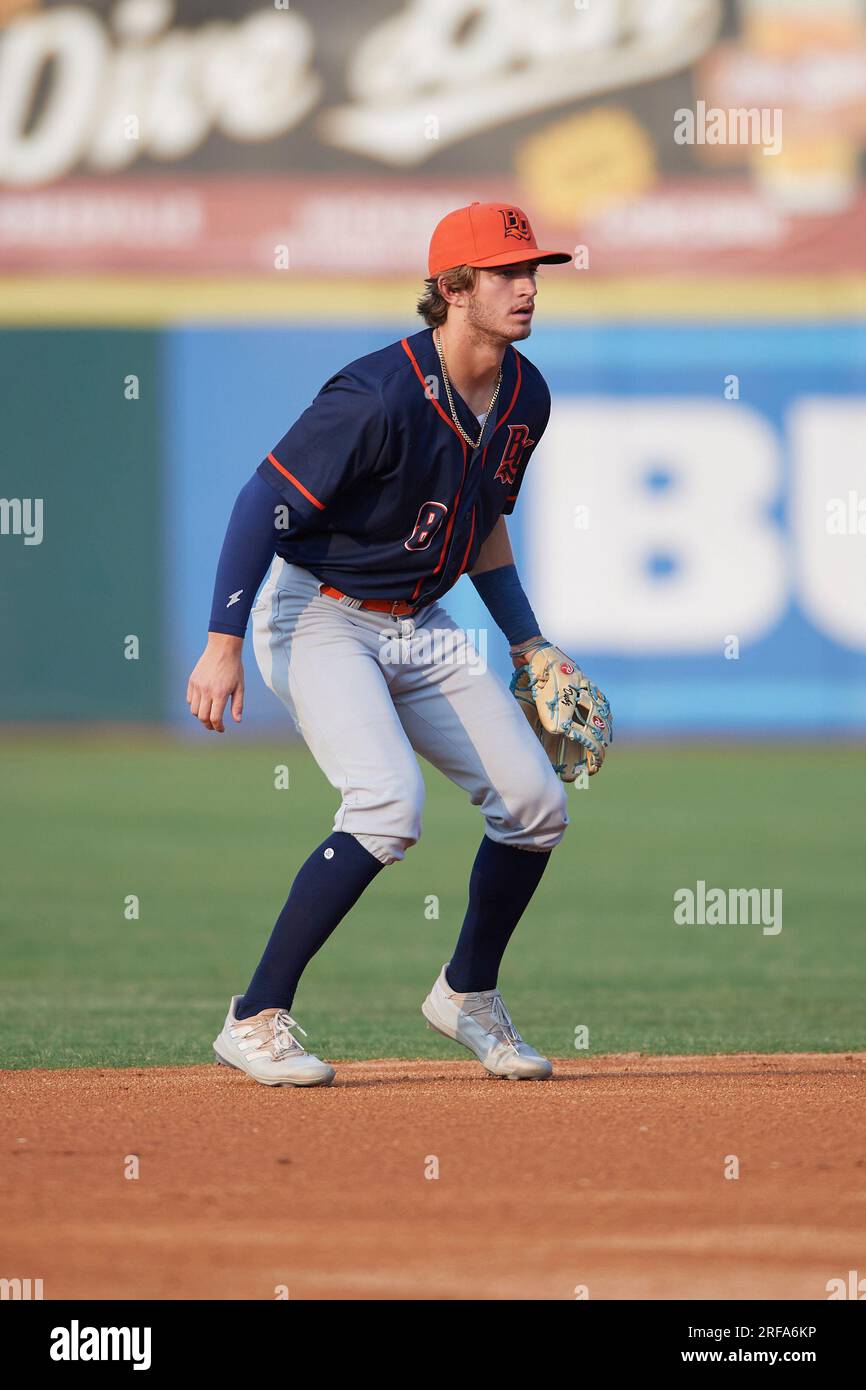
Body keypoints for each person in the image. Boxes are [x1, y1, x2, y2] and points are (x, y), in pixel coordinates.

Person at [187, 201, 600, 1088]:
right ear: (453, 287)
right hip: (319, 614)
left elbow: (485, 522)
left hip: (421, 625)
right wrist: (222, 641)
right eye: (506, 273)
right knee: (386, 806)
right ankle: (253, 1017)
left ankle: (468, 994)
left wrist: (528, 644)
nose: (528, 287)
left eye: (533, 270)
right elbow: (261, 502)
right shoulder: (376, 394)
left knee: (537, 807)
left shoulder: (527, 393)